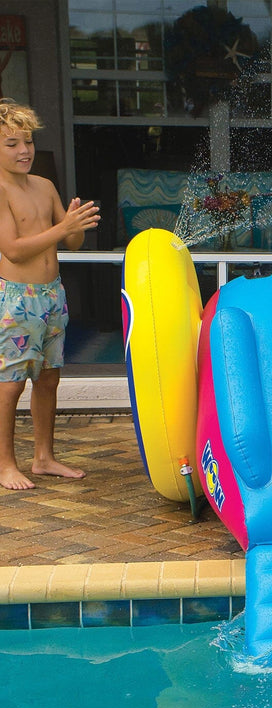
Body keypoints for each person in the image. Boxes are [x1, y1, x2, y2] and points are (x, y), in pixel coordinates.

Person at [0, 98, 99, 490]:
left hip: (52, 296)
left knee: (48, 379)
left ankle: (43, 457)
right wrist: (62, 230)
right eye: (11, 143)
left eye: (27, 142)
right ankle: (6, 464)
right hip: (16, 299)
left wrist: (75, 223)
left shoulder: (44, 186)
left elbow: (71, 241)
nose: (24, 151)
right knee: (10, 382)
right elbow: (13, 249)